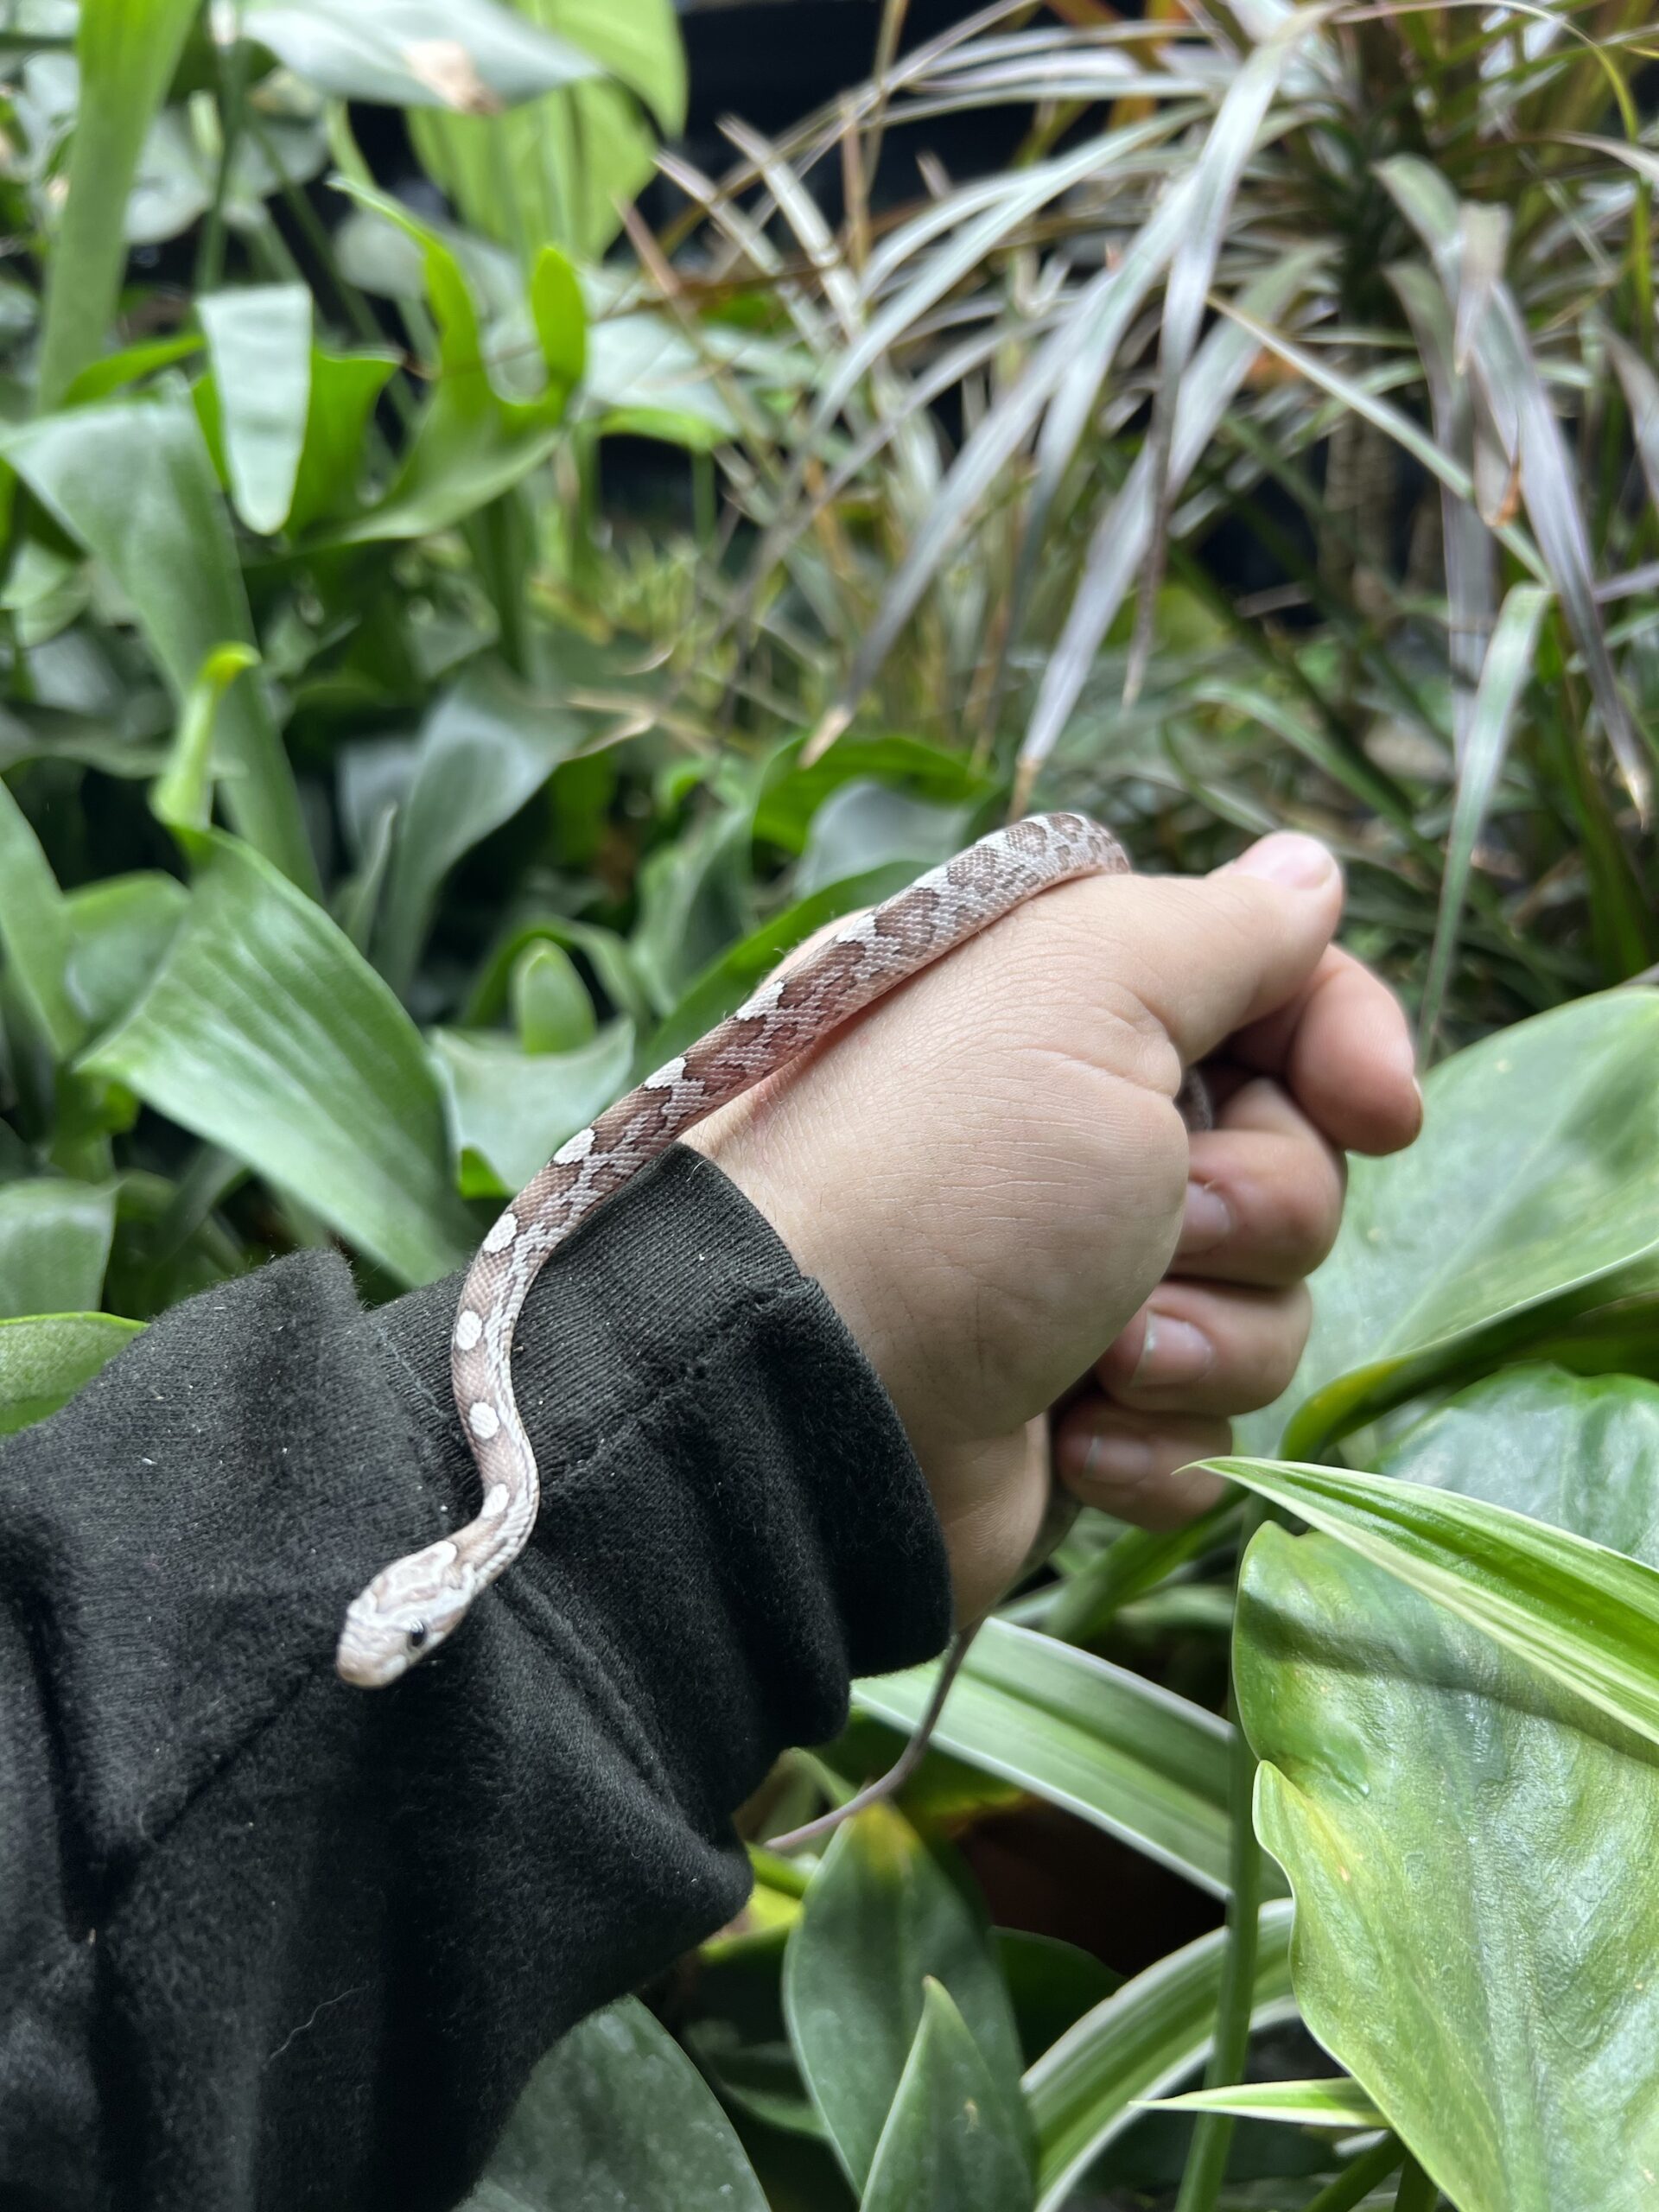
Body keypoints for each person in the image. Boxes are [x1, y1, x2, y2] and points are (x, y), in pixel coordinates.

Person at [0, 830, 1421, 2211]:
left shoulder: (480, 1528)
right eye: (405, 1635)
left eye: (401, 1618)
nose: (364, 1643)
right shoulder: (475, 1532)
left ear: (431, 1582)